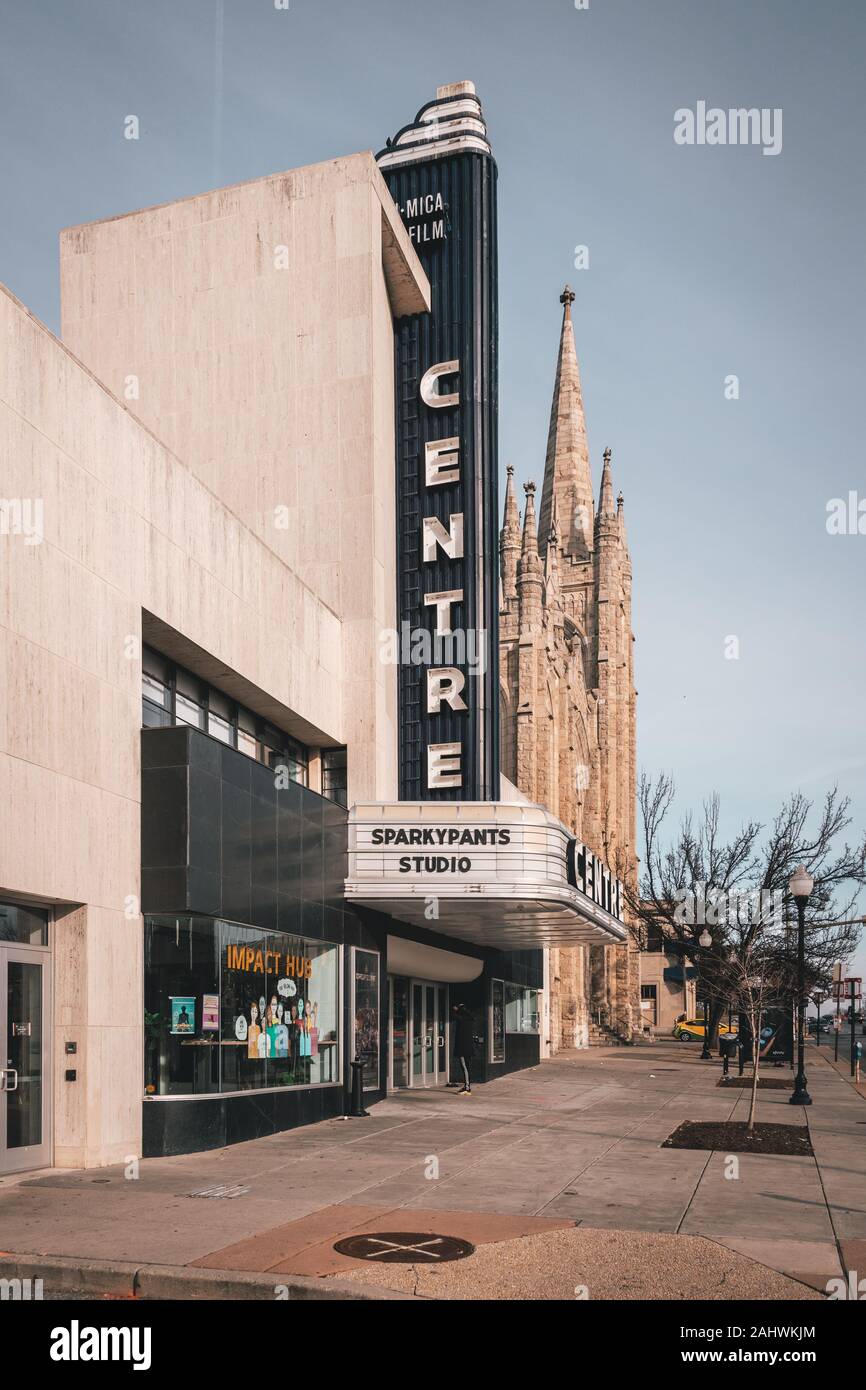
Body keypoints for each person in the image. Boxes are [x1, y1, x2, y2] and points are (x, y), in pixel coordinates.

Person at [451, 1003, 474, 1095]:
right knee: (467, 1067)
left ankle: (467, 1087)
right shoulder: (470, 1020)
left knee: (464, 1067)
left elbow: (455, 1015)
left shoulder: (461, 1020)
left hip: (462, 1048)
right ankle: (467, 1086)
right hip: (468, 1048)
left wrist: (455, 1010)